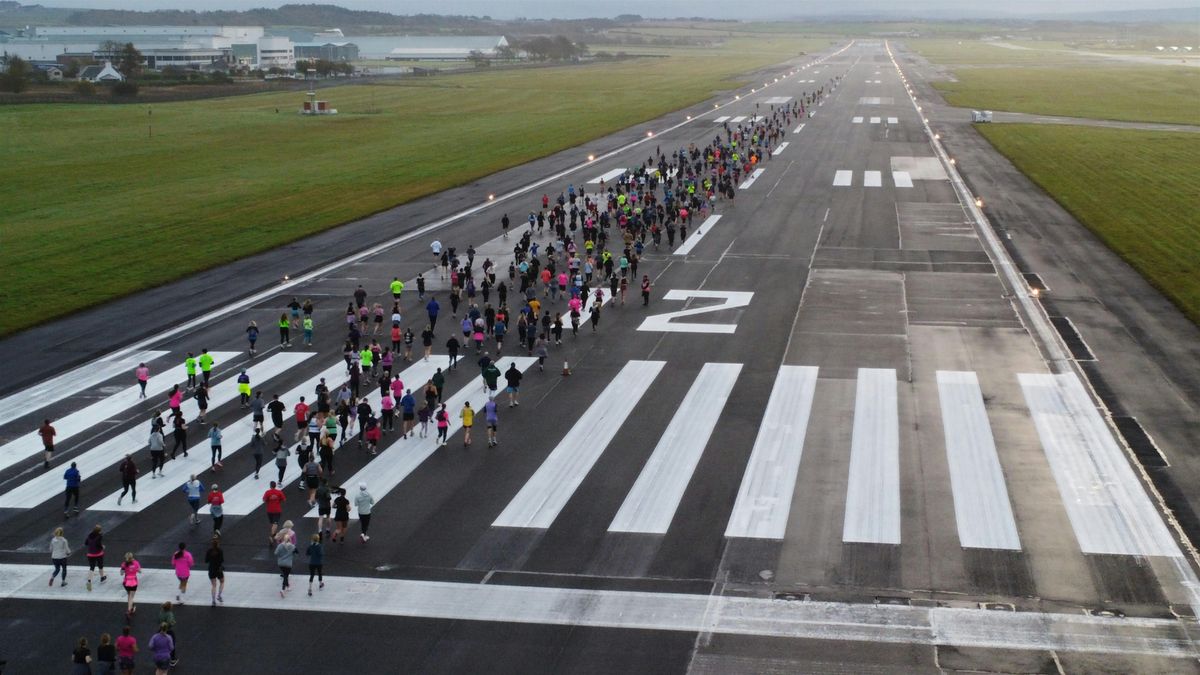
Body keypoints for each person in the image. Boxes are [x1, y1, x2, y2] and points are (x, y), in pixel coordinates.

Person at [84, 525, 107, 591]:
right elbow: (99, 544)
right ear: (99, 531)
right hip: (98, 554)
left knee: (92, 567)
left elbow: (86, 543)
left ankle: (89, 581)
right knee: (100, 566)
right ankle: (102, 577)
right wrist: (102, 547)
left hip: (90, 554)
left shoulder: (89, 535)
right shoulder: (99, 536)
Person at [205, 537, 225, 606]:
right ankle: (219, 595)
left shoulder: (209, 551)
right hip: (218, 569)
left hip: (211, 569)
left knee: (214, 585)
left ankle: (213, 601)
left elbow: (206, 561)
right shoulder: (220, 551)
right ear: (218, 544)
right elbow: (222, 560)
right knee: (222, 581)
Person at [158, 601, 179, 667]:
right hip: (168, 631)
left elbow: (158, 620)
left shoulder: (161, 612)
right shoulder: (170, 614)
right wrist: (173, 622)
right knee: (171, 644)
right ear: (170, 607)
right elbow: (170, 622)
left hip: (160, 630)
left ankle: (160, 658)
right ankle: (172, 660)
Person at [120, 552, 141, 617]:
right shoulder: (136, 563)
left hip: (126, 582)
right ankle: (129, 610)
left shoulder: (124, 564)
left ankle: (131, 607)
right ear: (132, 557)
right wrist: (135, 569)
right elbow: (140, 571)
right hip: (134, 581)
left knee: (129, 595)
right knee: (131, 597)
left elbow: (121, 573)